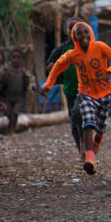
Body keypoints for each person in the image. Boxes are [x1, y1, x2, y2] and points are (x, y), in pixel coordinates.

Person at [41, 21, 111, 175]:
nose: (84, 36)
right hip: (85, 93)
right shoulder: (71, 54)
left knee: (100, 128)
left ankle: (97, 140)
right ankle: (89, 160)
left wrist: (110, 71)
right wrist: (48, 85)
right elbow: (57, 66)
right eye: (79, 33)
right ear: (74, 37)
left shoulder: (100, 47)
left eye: (86, 32)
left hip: (104, 93)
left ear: (91, 32)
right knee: (88, 123)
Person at [45, 19, 83, 149]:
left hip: (87, 89)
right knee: (74, 121)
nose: (73, 30)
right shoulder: (62, 49)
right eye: (70, 28)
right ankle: (81, 148)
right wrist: (51, 67)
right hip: (70, 89)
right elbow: (50, 63)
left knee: (79, 114)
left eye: (76, 27)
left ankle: (89, 147)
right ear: (66, 31)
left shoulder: (89, 47)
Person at [0, 48, 34, 135]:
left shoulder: (23, 71)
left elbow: (30, 79)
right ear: (11, 58)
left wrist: (31, 86)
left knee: (15, 112)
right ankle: (10, 128)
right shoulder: (6, 70)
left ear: (22, 59)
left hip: (19, 97)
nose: (16, 60)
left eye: (18, 58)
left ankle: (12, 130)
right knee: (8, 113)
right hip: (7, 97)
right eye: (14, 57)